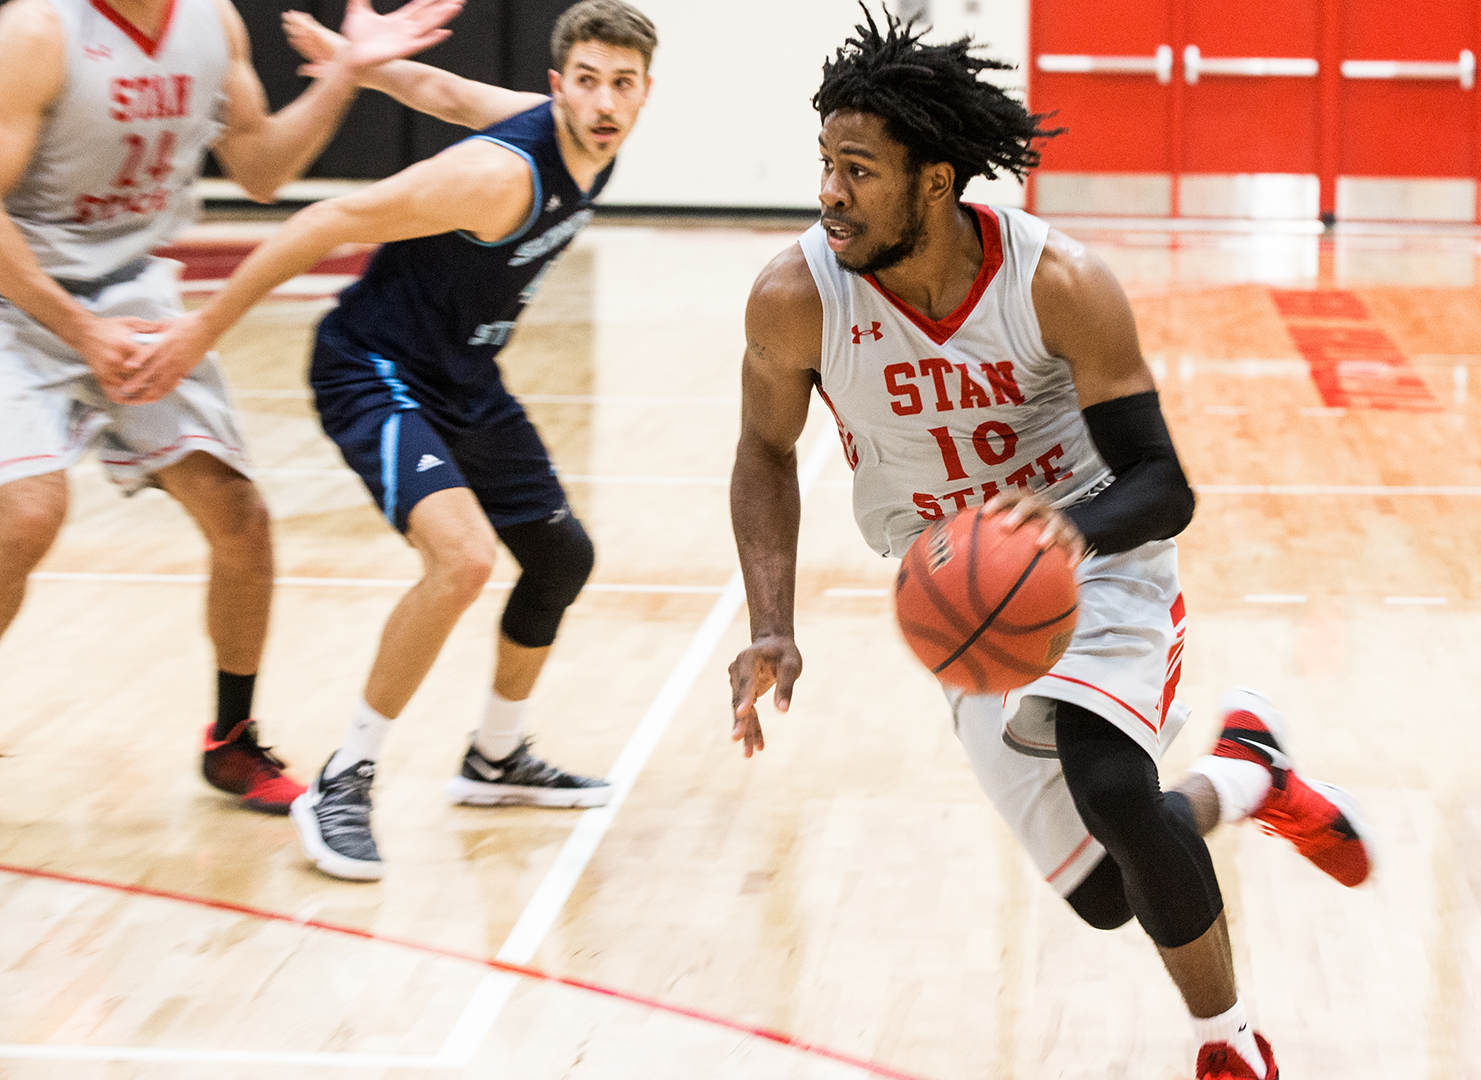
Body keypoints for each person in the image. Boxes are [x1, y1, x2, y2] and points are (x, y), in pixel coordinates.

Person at [726, 12, 1373, 1080]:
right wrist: (771, 624)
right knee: (1113, 892)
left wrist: (1058, 535)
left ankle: (1229, 1044)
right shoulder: (797, 297)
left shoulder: (1056, 281)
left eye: (858, 170)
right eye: (825, 166)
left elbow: (1164, 485)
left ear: (935, 182)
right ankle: (1247, 773)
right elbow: (762, 451)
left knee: (1111, 783)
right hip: (956, 590)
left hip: (1096, 558)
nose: (830, 193)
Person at [140, 0, 657, 880]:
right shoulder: (500, 175)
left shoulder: (586, 139)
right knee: (459, 561)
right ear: (556, 86)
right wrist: (199, 332)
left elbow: (447, 90)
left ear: (645, 93)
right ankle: (347, 780)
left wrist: (355, 59)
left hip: (462, 374)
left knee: (560, 556)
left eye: (624, 84)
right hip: (372, 366)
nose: (605, 101)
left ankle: (494, 759)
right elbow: (315, 225)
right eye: (588, 81)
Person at [0, 0, 459, 813]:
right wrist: (79, 327)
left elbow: (260, 170)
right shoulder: (36, 33)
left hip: (135, 296)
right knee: (25, 515)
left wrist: (347, 73)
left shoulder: (213, 23)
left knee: (240, 519)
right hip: (19, 303)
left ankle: (231, 741)